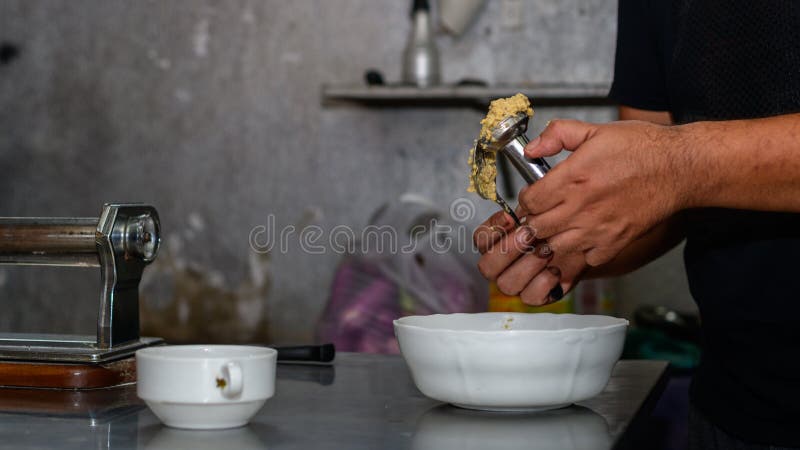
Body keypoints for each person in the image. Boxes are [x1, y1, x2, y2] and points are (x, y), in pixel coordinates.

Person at [473, 0, 800, 448]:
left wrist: (678, 165)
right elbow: (663, 197)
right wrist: (572, 234)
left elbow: (674, 168)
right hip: (732, 405)